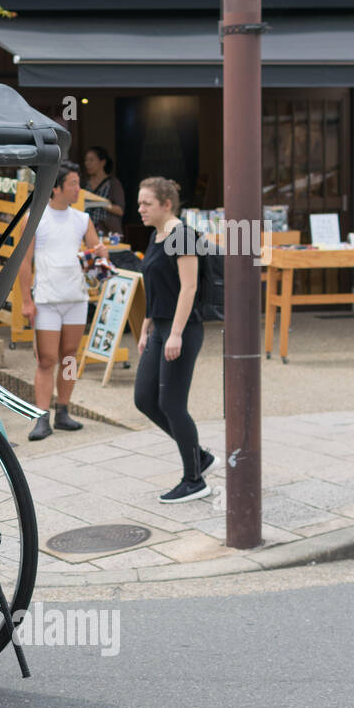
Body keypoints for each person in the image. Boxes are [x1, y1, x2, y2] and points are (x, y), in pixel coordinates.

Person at [133, 177, 217, 504]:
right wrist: (145, 328)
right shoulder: (157, 236)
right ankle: (201, 457)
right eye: (140, 203)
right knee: (144, 398)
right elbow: (156, 288)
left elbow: (189, 288)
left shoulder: (183, 236)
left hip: (183, 329)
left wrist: (177, 333)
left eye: (146, 204)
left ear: (166, 204)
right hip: (161, 328)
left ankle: (194, 479)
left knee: (172, 404)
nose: (140, 209)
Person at [19, 160, 107, 441]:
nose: (78, 189)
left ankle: (64, 411)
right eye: (73, 184)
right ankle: (41, 417)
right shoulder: (35, 216)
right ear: (55, 188)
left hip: (76, 298)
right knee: (46, 359)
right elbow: (24, 261)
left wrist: (102, 255)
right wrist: (25, 300)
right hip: (46, 299)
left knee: (70, 356)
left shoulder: (82, 219)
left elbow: (99, 260)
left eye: (78, 184)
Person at [83, 146, 125, 238]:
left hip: (108, 233)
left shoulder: (113, 184)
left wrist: (101, 203)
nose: (87, 163)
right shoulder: (84, 184)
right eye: (86, 160)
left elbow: (120, 210)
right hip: (86, 232)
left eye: (91, 160)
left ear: (102, 162)